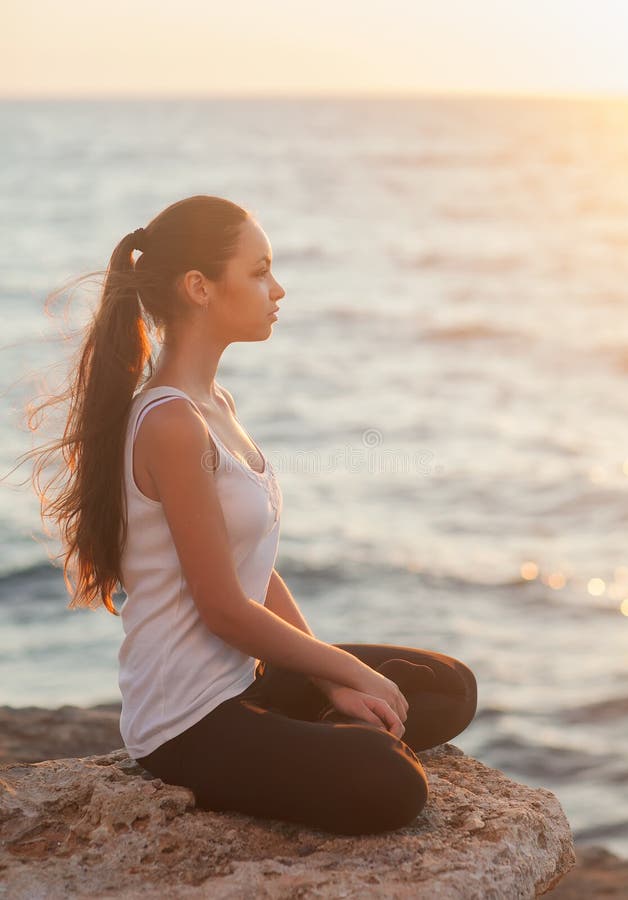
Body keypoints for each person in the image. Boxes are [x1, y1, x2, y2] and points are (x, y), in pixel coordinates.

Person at [24, 195, 477, 836]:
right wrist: (348, 671)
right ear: (199, 287)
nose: (278, 289)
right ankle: (318, 746)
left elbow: (255, 570)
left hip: (246, 681)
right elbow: (223, 609)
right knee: (392, 783)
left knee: (447, 687)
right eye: (260, 271)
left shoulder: (217, 404)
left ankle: (319, 734)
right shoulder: (171, 422)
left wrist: (330, 680)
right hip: (186, 720)